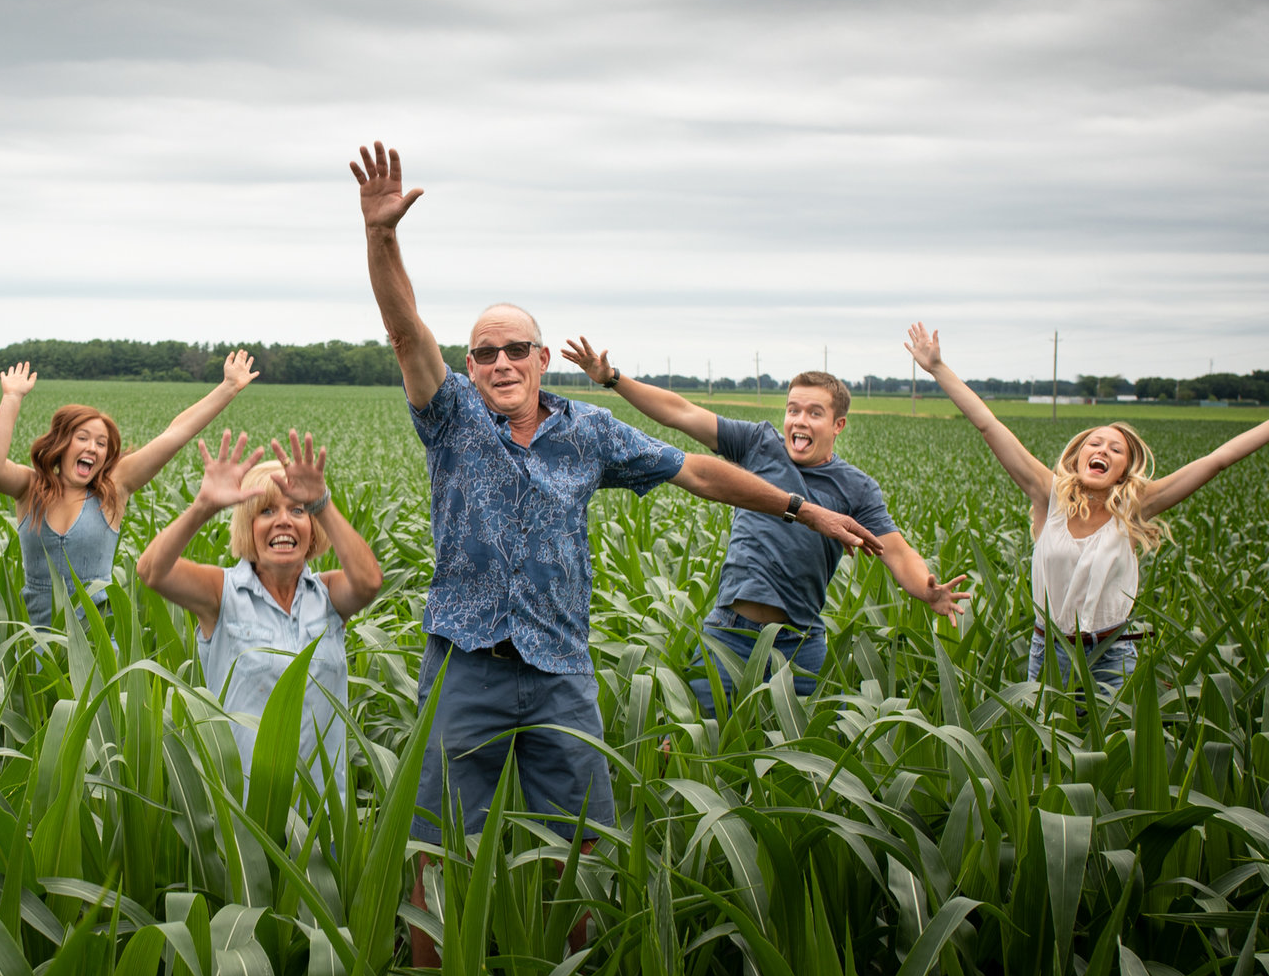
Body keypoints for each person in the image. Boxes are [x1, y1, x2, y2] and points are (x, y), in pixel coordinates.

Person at [350, 141, 882, 851]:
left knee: (584, 845)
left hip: (559, 668)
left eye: (516, 349)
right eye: (484, 352)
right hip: (464, 664)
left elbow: (695, 470)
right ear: (470, 365)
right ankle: (433, 968)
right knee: (438, 843)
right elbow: (405, 330)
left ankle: (578, 958)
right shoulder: (452, 418)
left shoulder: (589, 432)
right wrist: (381, 235)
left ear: (543, 359)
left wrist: (802, 506)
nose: (500, 362)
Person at [904, 322, 1269, 693]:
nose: (1102, 449)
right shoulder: (1048, 496)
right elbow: (989, 424)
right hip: (1048, 651)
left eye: (1115, 449)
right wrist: (938, 368)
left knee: (1106, 761)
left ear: (1125, 469)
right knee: (1044, 760)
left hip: (1114, 654)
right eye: (1094, 442)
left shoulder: (1137, 507)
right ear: (1078, 456)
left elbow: (1215, 461)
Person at [561, 341, 969, 697]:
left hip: (801, 641)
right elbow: (680, 413)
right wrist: (612, 378)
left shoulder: (856, 488)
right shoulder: (758, 444)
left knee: (796, 760)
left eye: (814, 413)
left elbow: (895, 551)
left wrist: (926, 589)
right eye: (793, 410)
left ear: (838, 424)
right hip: (731, 632)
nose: (799, 421)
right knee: (703, 744)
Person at [135, 429, 385, 783]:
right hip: (247, 814)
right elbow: (152, 571)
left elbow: (369, 581)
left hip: (323, 815)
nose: (283, 520)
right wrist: (203, 506)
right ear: (248, 528)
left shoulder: (328, 595)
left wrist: (322, 503)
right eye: (266, 511)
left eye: (297, 510)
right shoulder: (221, 594)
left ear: (312, 529)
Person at [0, 351, 259, 627]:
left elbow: (174, 435)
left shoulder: (113, 490)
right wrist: (12, 397)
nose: (92, 447)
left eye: (101, 443)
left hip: (98, 653)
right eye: (83, 438)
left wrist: (228, 388)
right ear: (60, 444)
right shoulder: (30, 488)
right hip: (37, 651)